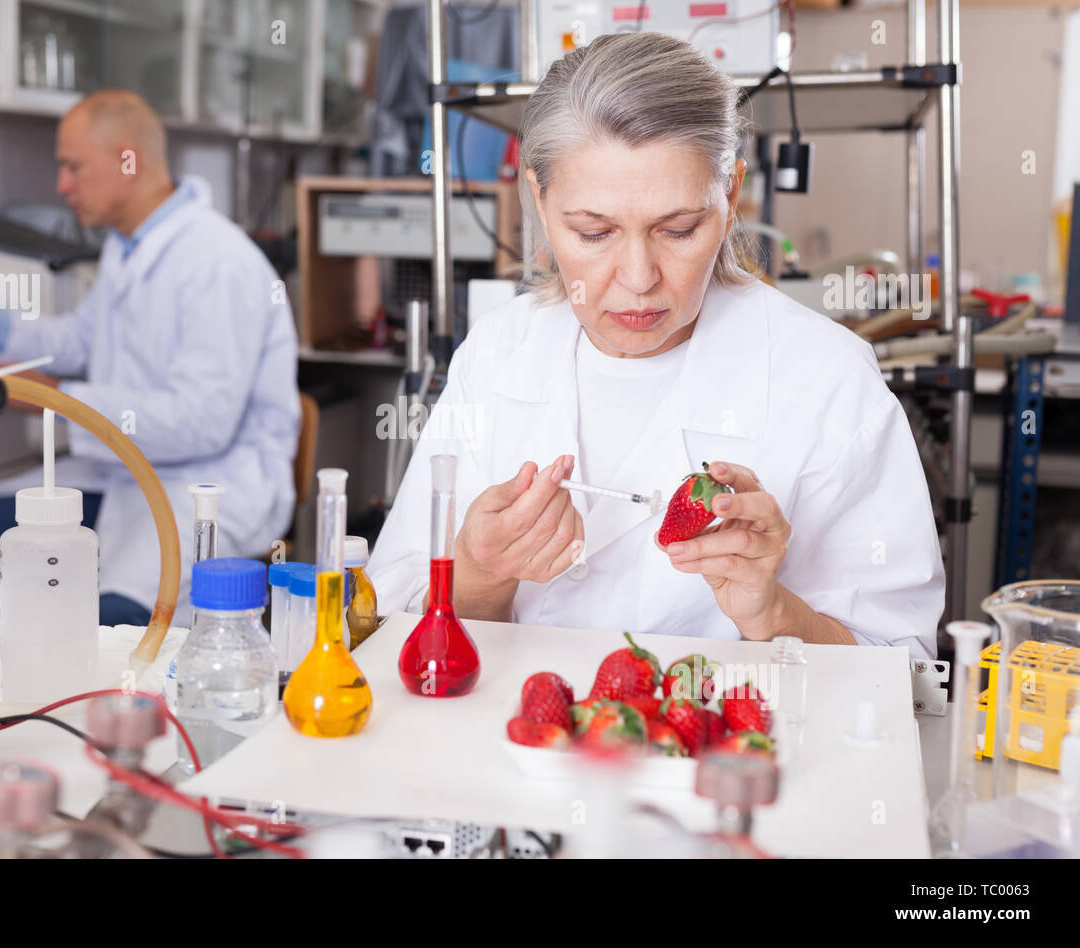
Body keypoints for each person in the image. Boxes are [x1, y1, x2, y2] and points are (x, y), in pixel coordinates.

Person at [367, 33, 943, 658]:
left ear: (729, 196)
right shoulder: (498, 354)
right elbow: (389, 631)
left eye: (678, 229)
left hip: (734, 756)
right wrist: (480, 579)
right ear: (538, 197)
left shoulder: (828, 378)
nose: (638, 278)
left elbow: (902, 672)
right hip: (518, 751)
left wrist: (773, 612)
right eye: (594, 232)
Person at [0, 90, 300, 626]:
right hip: (129, 472)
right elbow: (81, 341)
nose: (62, 186)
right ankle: (16, 670)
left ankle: (69, 684)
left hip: (210, 485)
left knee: (110, 625)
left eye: (72, 166)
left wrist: (53, 402)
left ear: (127, 161)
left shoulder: (219, 264)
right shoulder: (126, 246)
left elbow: (202, 424)